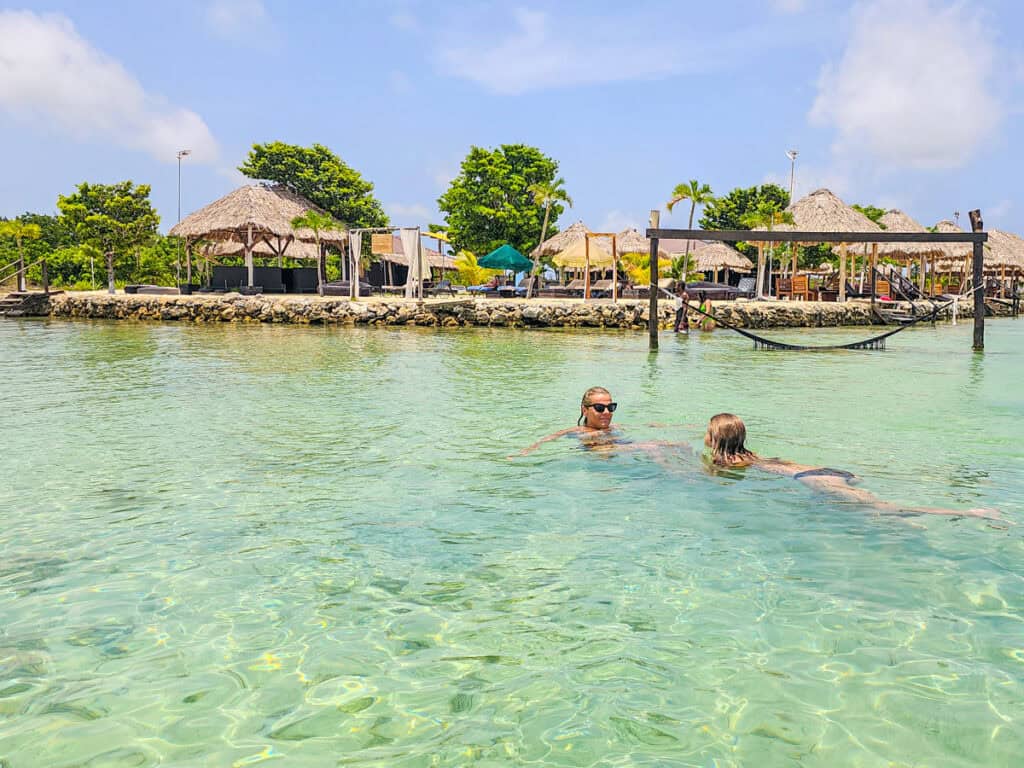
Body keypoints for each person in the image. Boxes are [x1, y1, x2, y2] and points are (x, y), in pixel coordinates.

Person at [703, 413, 998, 519]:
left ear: (717, 438)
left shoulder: (729, 464)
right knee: (880, 506)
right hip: (825, 470)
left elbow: (708, 477)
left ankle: (971, 512)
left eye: (708, 431)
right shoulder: (753, 456)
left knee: (885, 507)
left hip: (815, 480)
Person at [517, 386, 626, 455]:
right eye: (599, 408)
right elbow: (550, 438)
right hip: (595, 453)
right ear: (585, 410)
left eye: (611, 407)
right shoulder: (578, 431)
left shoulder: (615, 427)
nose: (606, 412)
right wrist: (528, 450)